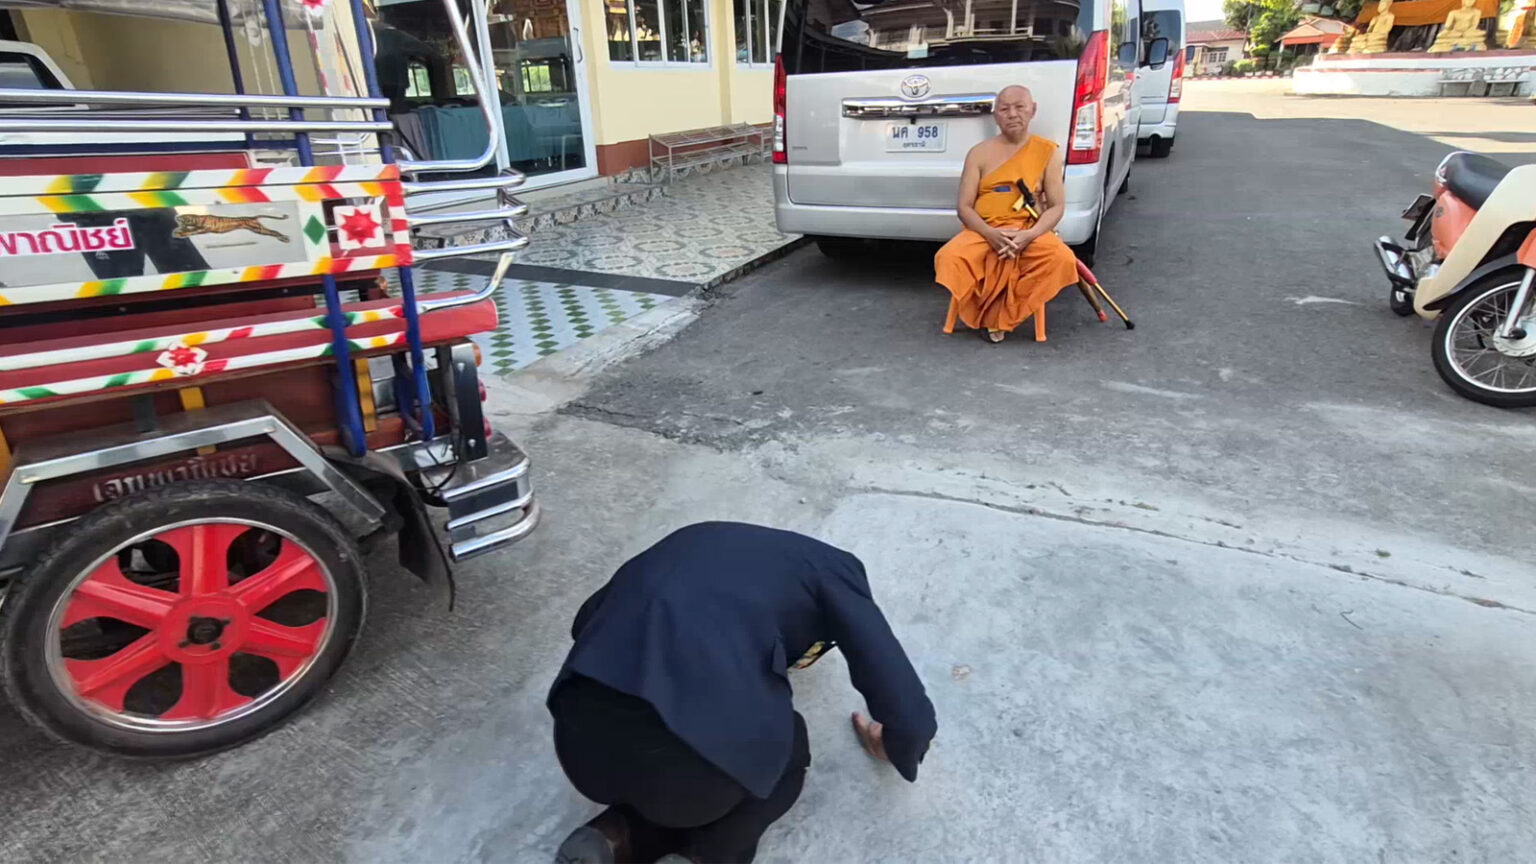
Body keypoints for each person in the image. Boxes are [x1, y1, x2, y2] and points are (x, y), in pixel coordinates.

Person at [548, 522, 938, 864]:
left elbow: (585, 620)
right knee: (784, 750)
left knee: (663, 764)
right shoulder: (837, 573)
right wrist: (898, 743)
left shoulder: (698, 540)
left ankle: (615, 834)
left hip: (576, 742)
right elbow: (908, 709)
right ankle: (702, 854)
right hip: (688, 785)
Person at [934, 85, 1080, 344]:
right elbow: (964, 207)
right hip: (984, 230)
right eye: (1004, 109)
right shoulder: (979, 153)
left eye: (1019, 107)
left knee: (1061, 260)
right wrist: (990, 234)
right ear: (996, 115)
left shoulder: (1047, 152)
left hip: (1028, 230)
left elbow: (1056, 205)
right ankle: (989, 314)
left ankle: (1001, 317)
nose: (1012, 114)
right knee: (949, 258)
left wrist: (1029, 235)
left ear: (1032, 110)